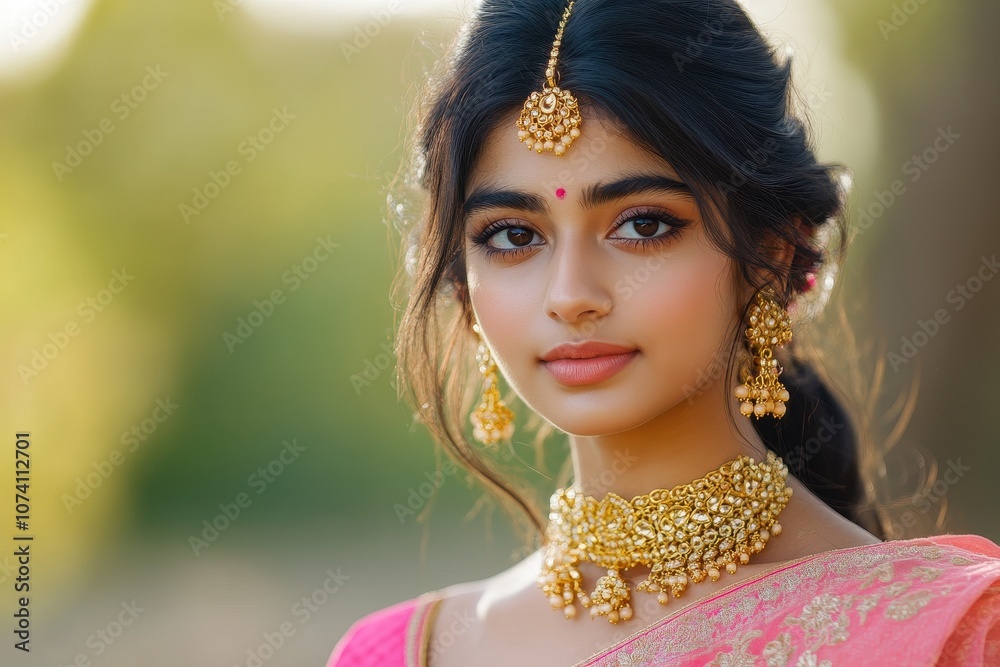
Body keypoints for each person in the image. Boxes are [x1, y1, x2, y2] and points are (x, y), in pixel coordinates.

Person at [329, 0, 1000, 664]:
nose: (570, 296)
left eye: (643, 225)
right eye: (513, 235)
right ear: (460, 281)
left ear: (769, 255)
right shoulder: (402, 651)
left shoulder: (949, 632)